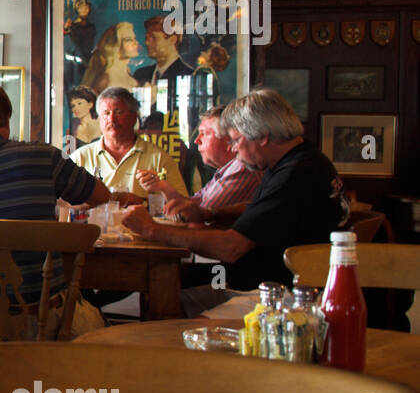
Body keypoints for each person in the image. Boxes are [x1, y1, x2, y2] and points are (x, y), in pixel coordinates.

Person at [122, 89, 350, 313]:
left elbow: (230, 248)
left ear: (263, 136)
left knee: (162, 296)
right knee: (170, 283)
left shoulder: (294, 174)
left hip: (279, 297)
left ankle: (175, 348)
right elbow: (260, 210)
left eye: (236, 140)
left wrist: (151, 229)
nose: (233, 148)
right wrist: (210, 214)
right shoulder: (301, 159)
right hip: (274, 283)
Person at [0, 82, 109, 329]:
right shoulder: (44, 156)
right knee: (98, 323)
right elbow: (101, 195)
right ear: (7, 118)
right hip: (43, 319)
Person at [70, 86, 186, 202]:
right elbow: (61, 203)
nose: (112, 119)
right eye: (106, 113)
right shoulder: (80, 158)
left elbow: (183, 207)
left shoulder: (159, 158)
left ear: (134, 117)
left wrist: (161, 189)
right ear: (99, 119)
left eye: (119, 112)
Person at [162, 106, 262, 225]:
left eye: (204, 134)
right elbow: (192, 205)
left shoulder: (242, 168)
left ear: (228, 140)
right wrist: (163, 187)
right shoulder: (225, 170)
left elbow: (200, 216)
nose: (197, 140)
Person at [79, 22, 142, 93]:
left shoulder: (127, 75)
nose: (135, 42)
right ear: (115, 45)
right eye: (128, 39)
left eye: (134, 38)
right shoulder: (106, 78)